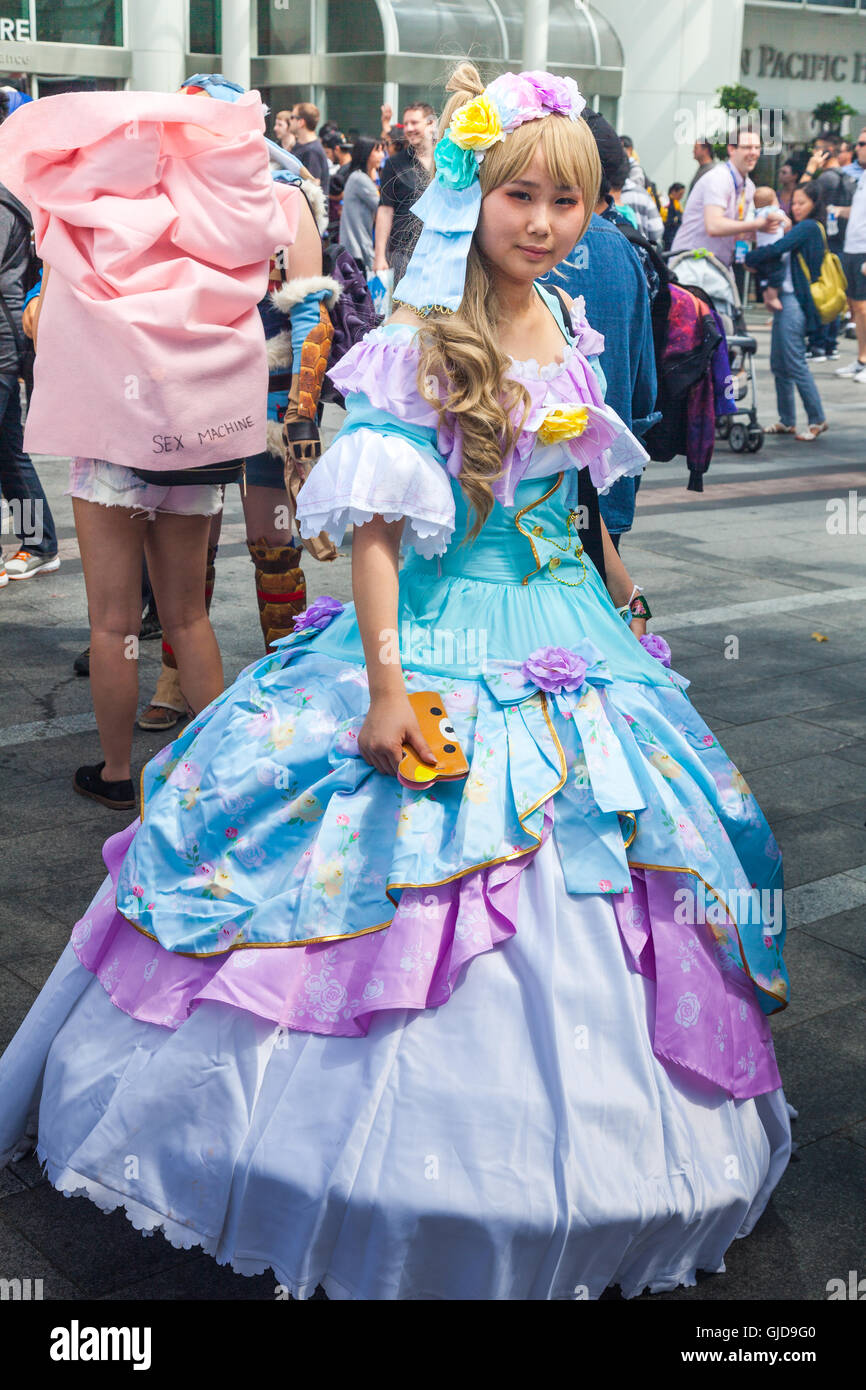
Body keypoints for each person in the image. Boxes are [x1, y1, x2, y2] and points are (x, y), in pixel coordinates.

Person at [0, 61, 791, 1302]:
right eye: (519, 193)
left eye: (566, 202)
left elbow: (570, 499)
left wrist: (626, 602)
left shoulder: (568, 326)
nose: (541, 222)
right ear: (473, 193)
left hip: (567, 630)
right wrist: (381, 689)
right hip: (428, 641)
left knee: (620, 871)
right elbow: (372, 531)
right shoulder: (421, 339)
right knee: (390, 880)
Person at [0, 84, 300, 807]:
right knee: (189, 615)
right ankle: (217, 775)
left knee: (111, 625)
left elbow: (44, 321)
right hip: (193, 440)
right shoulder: (213, 229)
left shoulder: (89, 222)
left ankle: (114, 775)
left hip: (112, 450)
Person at [546, 107, 658, 552]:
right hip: (603, 479)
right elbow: (643, 384)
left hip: (526, 487)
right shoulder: (626, 250)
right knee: (598, 605)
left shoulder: (503, 242)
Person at [0, 169, 59, 584]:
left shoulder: (4, 202)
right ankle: (39, 543)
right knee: (8, 453)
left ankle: (39, 543)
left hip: (2, 344)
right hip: (6, 343)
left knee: (9, 453)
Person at [745, 181, 829, 441]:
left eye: (802, 203)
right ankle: (787, 420)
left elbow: (777, 249)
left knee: (794, 361)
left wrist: (748, 259)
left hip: (796, 302)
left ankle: (817, 419)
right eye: (793, 202)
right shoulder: (799, 226)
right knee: (779, 363)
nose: (796, 207)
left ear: (815, 204)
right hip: (787, 298)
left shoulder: (808, 227)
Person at [672, 128, 782, 267]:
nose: (754, 152)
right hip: (691, 263)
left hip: (719, 265)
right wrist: (757, 225)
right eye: (747, 147)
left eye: (757, 147)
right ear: (731, 149)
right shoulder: (719, 178)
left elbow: (739, 230)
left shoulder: (748, 186)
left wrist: (769, 228)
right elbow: (714, 226)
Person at [372, 101, 435, 284]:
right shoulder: (394, 164)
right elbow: (385, 211)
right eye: (405, 124)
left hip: (440, 250)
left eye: (414, 123)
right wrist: (379, 256)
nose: (408, 128)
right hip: (403, 254)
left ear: (430, 124)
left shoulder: (446, 158)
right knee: (405, 311)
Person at [833, 129, 866, 382]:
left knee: (864, 308)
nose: (858, 148)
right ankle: (861, 360)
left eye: (863, 144)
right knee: (856, 307)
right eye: (858, 143)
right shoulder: (862, 177)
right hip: (852, 248)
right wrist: (837, 211)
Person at [339, 137, 383, 274]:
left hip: (356, 247)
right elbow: (381, 206)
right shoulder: (360, 179)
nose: (382, 155)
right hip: (357, 249)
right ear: (366, 154)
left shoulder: (358, 177)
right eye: (377, 151)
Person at [752, 186, 785, 313]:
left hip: (761, 251)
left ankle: (767, 298)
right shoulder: (772, 211)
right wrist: (783, 219)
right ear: (773, 201)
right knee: (775, 275)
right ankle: (773, 298)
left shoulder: (757, 213)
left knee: (763, 276)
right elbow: (773, 216)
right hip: (772, 251)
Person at [289, 103, 330, 194]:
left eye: (292, 117)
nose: (290, 121)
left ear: (301, 122)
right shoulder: (300, 146)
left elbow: (311, 189)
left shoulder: (312, 151)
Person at [661, 181, 685, 251]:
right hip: (669, 236)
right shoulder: (667, 203)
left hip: (674, 236)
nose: (682, 197)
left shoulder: (676, 203)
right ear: (673, 191)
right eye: (680, 194)